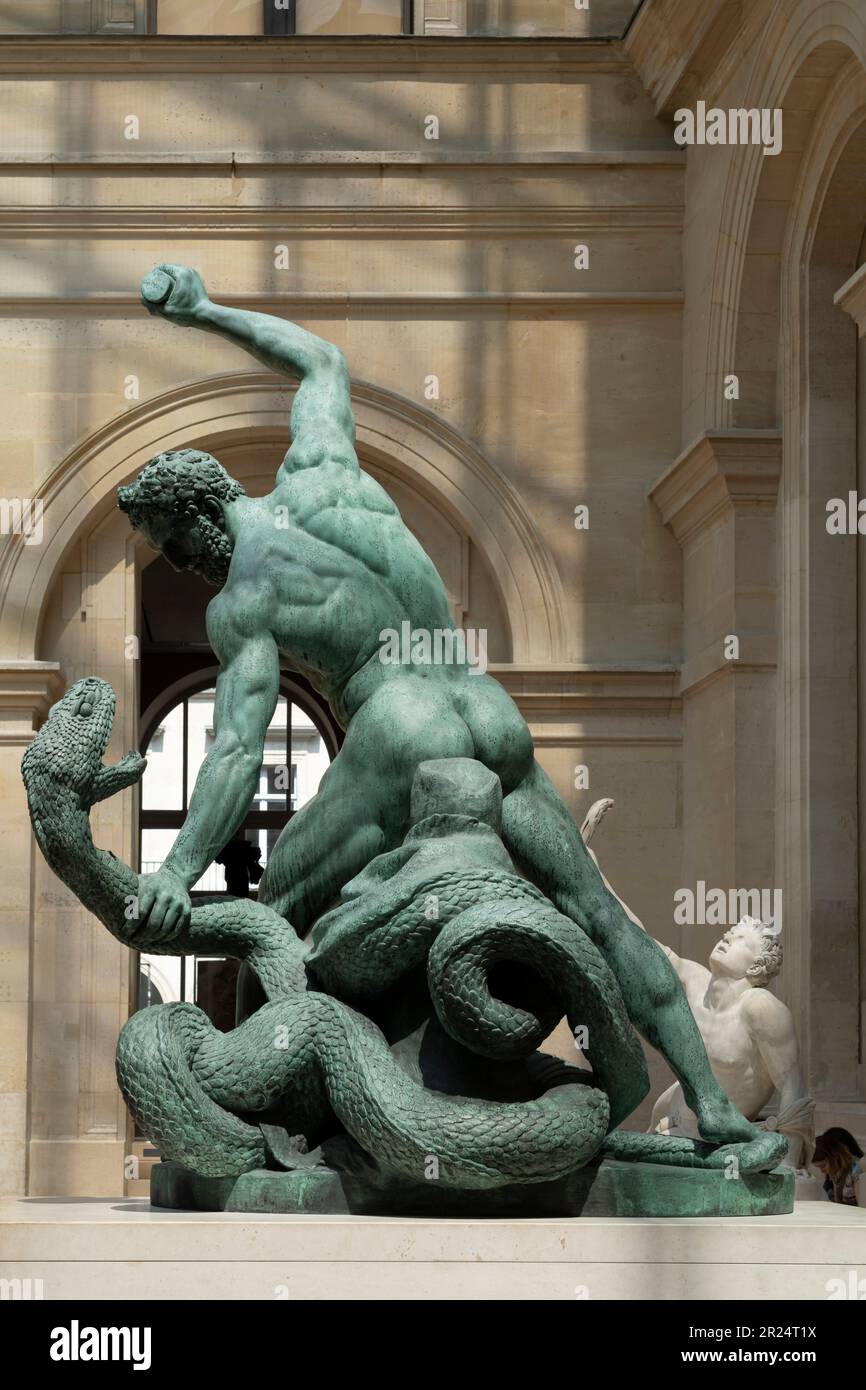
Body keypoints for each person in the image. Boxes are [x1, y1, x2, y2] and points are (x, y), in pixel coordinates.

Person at [118, 261, 776, 1155]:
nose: (185, 565)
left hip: (402, 729)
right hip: (486, 711)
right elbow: (320, 363)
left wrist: (178, 869)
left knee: (276, 900)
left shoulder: (242, 602)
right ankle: (715, 1105)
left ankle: (285, 1114)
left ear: (194, 519)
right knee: (598, 914)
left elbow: (236, 752)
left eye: (172, 546)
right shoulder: (324, 475)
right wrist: (204, 311)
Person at [813, 1130, 863, 1205]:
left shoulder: (856, 1170)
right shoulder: (835, 1171)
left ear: (835, 1156)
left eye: (823, 1166)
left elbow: (861, 1206)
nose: (822, 1171)